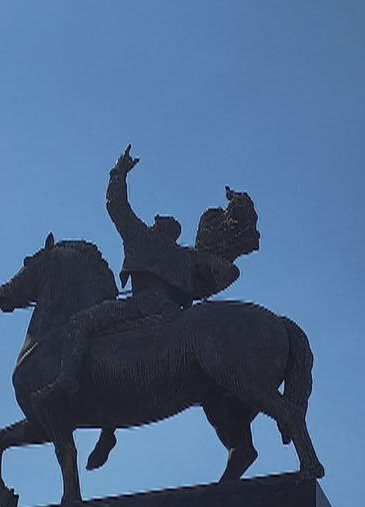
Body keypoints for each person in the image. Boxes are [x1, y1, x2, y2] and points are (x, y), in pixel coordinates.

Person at [37, 147, 261, 417]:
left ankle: (66, 379)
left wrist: (118, 172)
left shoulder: (142, 238)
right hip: (173, 314)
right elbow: (225, 275)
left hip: (140, 306)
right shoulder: (187, 256)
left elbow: (116, 206)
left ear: (158, 228)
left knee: (79, 323)